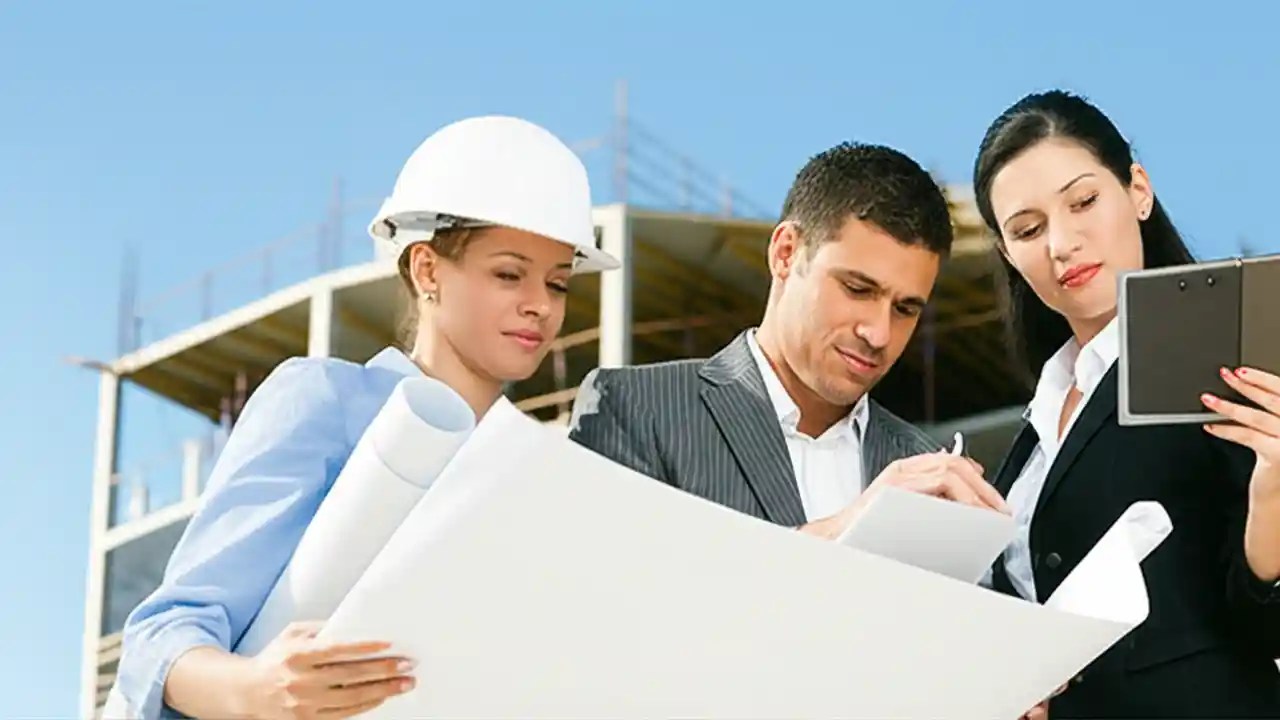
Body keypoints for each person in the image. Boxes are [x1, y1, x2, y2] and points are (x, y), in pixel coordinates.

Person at [106, 115, 620, 719]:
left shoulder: (540, 472)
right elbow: (163, 634)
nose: (539, 304)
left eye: (558, 284)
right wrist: (252, 690)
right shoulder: (326, 401)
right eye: (508, 274)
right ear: (428, 270)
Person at [973, 89, 1280, 718]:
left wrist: (1275, 492)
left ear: (1138, 190)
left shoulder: (1225, 358)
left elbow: (1261, 626)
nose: (1061, 242)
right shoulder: (1036, 427)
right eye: (1027, 229)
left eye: (1083, 201)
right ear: (1007, 252)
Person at [568, 141, 1007, 541]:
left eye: (905, 309)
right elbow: (607, 598)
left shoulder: (932, 473)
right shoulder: (636, 410)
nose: (878, 333)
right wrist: (845, 531)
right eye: (857, 289)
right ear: (785, 253)